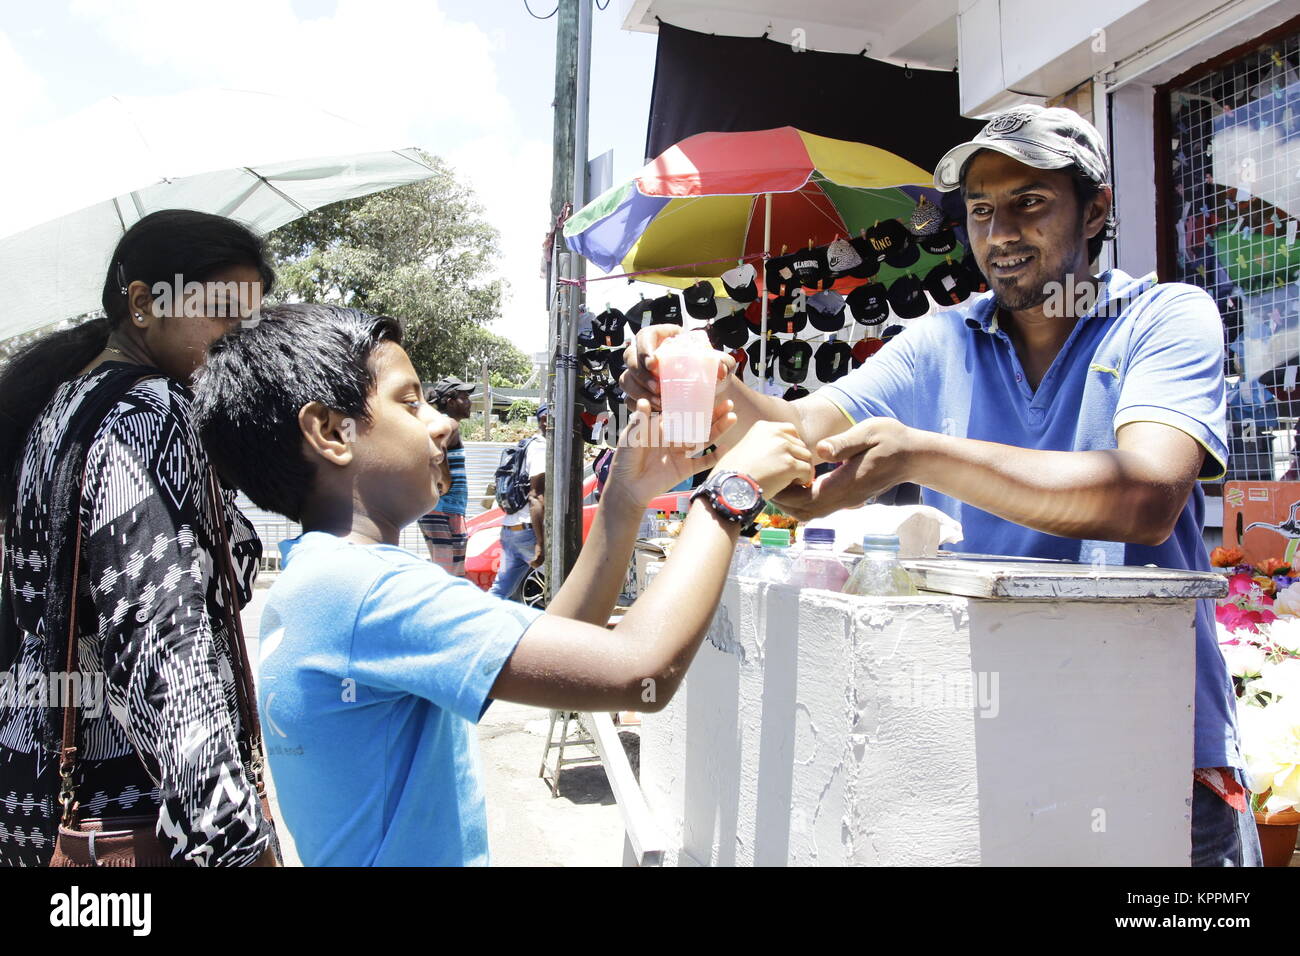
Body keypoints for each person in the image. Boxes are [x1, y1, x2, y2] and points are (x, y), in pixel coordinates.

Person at [620, 105, 1259, 867]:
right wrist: (695, 377)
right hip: (992, 741)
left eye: (1030, 202)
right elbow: (798, 432)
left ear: (1096, 211)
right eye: (983, 210)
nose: (1001, 233)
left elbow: (1147, 498)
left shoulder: (1161, 317)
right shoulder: (941, 339)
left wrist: (920, 455)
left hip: (1158, 748)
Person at [190, 302, 812, 865]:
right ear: (330, 432)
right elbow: (637, 674)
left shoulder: (323, 579)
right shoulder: (365, 591)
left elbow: (566, 644)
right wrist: (730, 494)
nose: (440, 424)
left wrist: (623, 496)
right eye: (409, 403)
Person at [0, 209, 278, 866]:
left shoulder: (64, 404)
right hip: (134, 814)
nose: (240, 339)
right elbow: (166, 648)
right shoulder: (149, 413)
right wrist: (236, 843)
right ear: (144, 303)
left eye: (251, 320)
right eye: (222, 313)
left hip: (44, 804)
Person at [488, 403, 548, 600]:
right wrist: (540, 543)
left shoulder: (526, 445)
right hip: (528, 533)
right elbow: (535, 496)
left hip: (509, 531)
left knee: (499, 592)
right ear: (545, 421)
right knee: (564, 583)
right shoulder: (540, 447)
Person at [417, 376, 474, 576]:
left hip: (446, 509)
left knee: (451, 571)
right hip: (444, 509)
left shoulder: (446, 423)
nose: (469, 402)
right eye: (464, 397)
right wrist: (446, 481)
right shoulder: (449, 424)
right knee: (448, 573)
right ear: (450, 401)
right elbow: (435, 444)